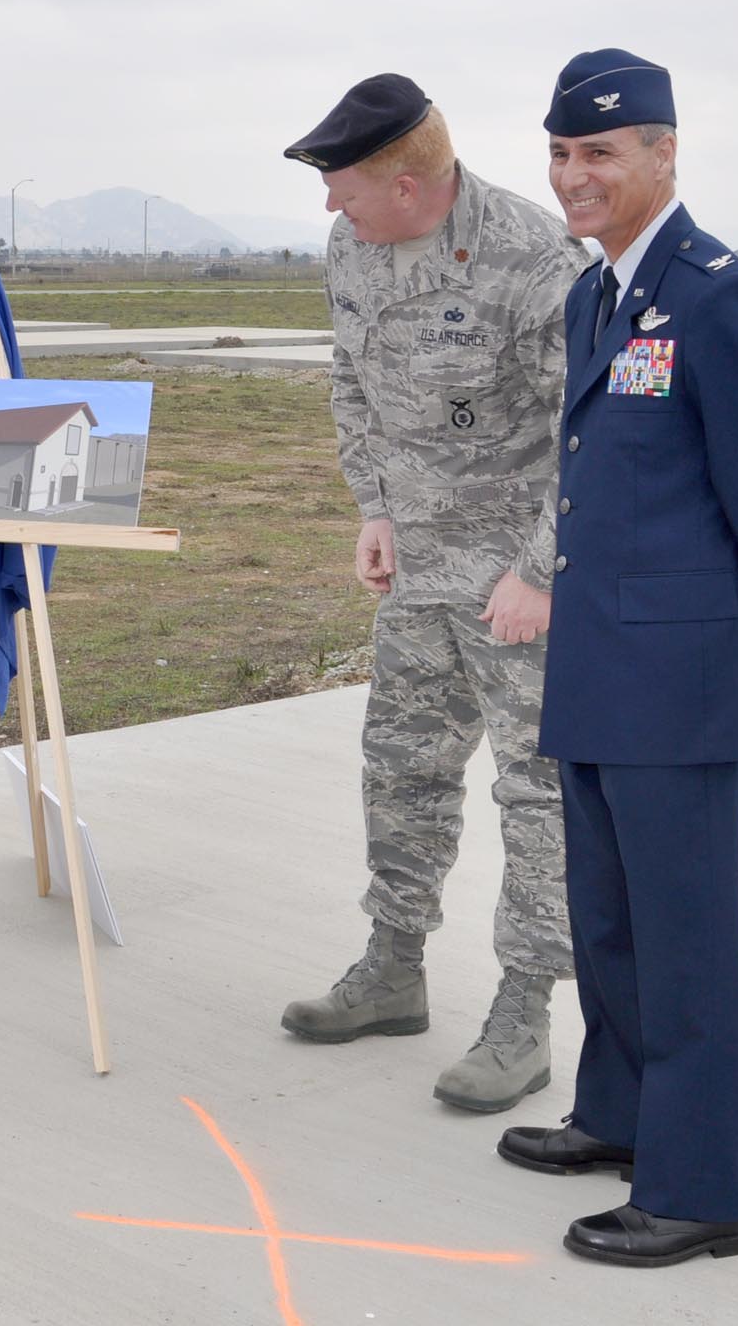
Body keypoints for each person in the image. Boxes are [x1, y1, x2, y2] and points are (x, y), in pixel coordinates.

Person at [497, 49, 738, 1266]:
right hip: (600, 662)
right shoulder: (600, 294)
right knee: (612, 921)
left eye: (601, 152)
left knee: (683, 937)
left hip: (677, 672)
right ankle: (622, 1112)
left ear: (664, 153)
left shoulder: (715, 294)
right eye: (562, 153)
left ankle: (699, 1188)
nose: (574, 174)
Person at [278, 74, 585, 1112]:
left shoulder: (534, 260)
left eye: (345, 185)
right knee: (402, 765)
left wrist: (540, 572)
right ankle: (394, 965)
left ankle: (525, 1009)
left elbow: (593, 437)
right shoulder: (354, 248)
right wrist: (373, 506)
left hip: (518, 588)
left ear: (410, 184)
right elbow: (350, 380)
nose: (331, 207)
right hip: (417, 572)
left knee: (536, 792)